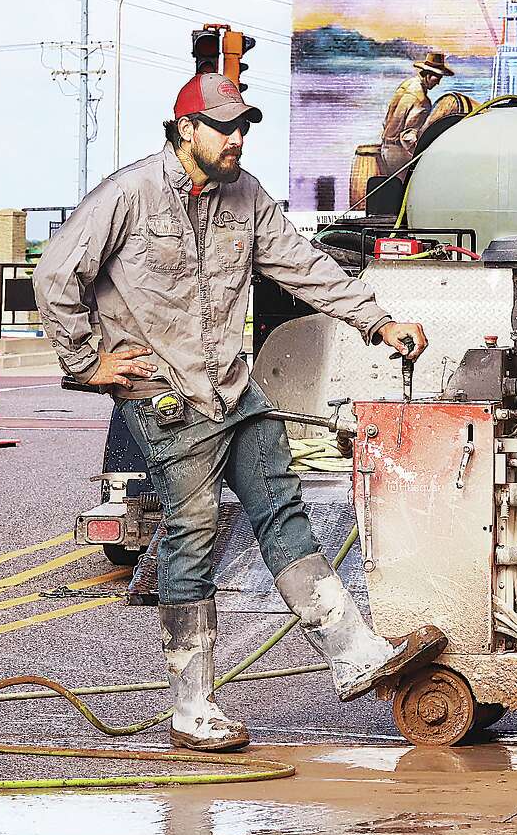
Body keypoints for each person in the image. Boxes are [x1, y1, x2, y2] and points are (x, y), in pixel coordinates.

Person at [34, 72, 446, 753]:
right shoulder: (129, 195)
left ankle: (355, 654)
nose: (236, 138)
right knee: (191, 540)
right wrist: (87, 364)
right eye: (223, 126)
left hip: (234, 388)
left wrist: (378, 321)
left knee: (282, 512)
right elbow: (57, 276)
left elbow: (302, 265)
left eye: (243, 125)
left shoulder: (245, 193)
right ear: (185, 129)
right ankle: (193, 707)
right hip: (166, 398)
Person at [379, 52, 454, 177]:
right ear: (429, 75)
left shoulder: (407, 85)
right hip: (398, 155)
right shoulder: (422, 102)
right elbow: (407, 137)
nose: (438, 83)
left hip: (386, 148)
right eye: (438, 78)